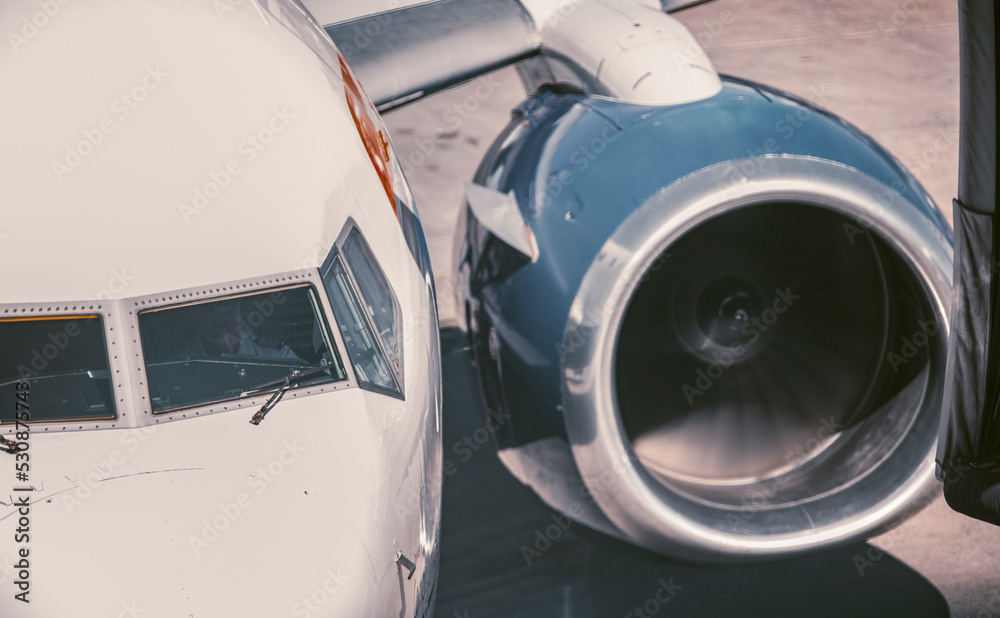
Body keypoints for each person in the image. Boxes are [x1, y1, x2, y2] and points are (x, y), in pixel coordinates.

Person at [178, 300, 300, 361]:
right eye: (212, 309)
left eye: (230, 306)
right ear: (195, 314)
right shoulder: (178, 362)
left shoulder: (279, 356)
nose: (223, 318)